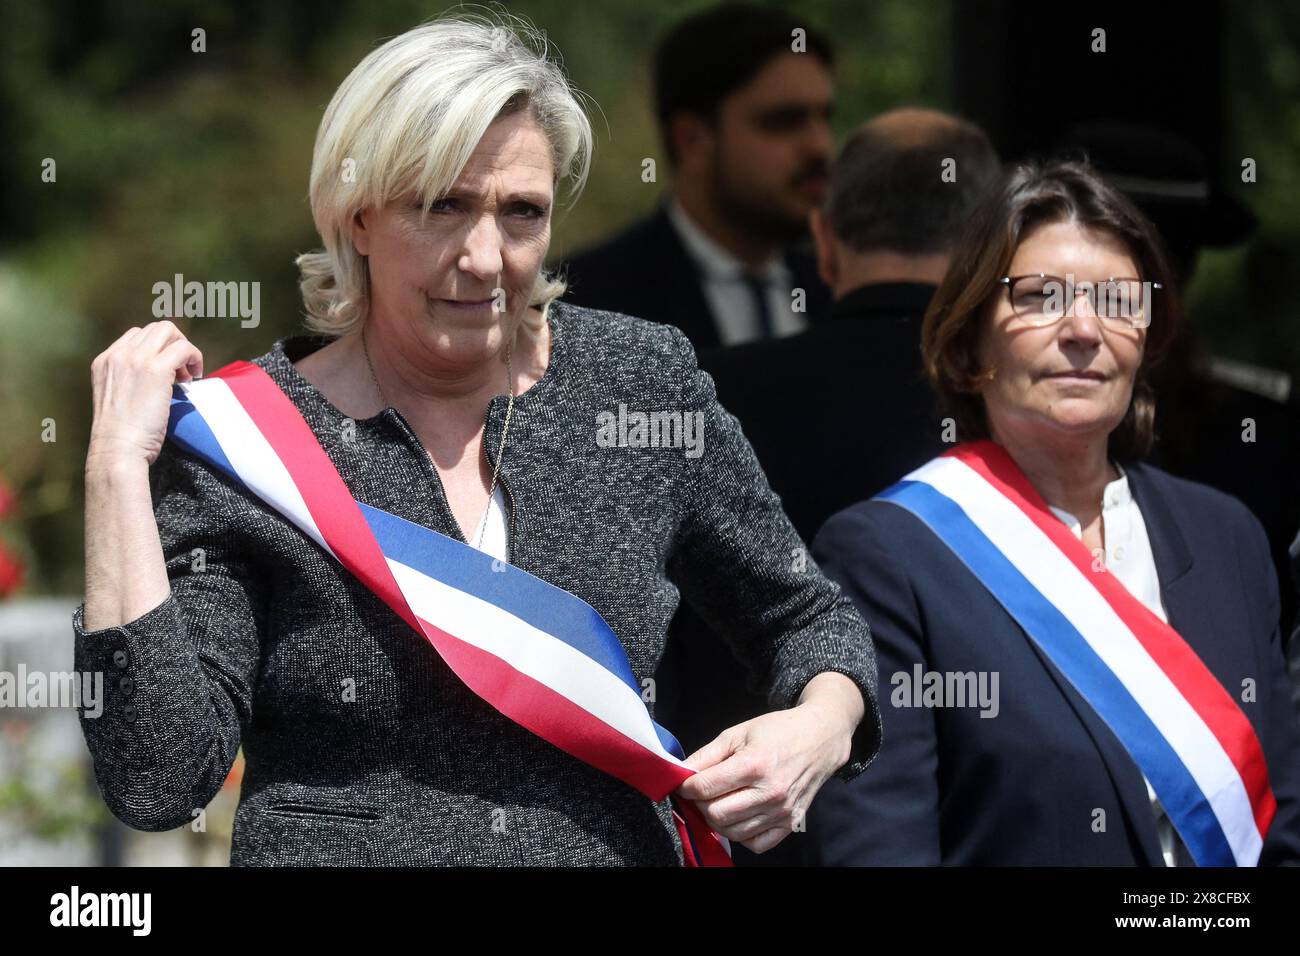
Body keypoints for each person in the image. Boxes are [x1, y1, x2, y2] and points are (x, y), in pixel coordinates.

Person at [73, 13, 880, 867]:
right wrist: (114, 469)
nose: (487, 257)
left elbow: (810, 617)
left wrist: (820, 725)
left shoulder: (639, 382)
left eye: (522, 213)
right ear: (356, 215)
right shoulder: (248, 443)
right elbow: (158, 775)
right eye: (442, 207)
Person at [806, 160, 1300, 865]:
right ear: (971, 337)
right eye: (1040, 297)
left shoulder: (1227, 536)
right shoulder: (887, 557)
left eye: (1118, 300)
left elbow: (1283, 831)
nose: (1083, 329)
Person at [653, 107, 1000, 866]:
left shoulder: (705, 396)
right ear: (991, 251)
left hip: (745, 839)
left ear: (825, 243)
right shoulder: (1025, 414)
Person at [560, 3, 834, 349]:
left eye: (824, 118)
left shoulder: (839, 290)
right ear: (691, 139)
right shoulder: (584, 306)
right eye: (782, 122)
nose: (820, 146)